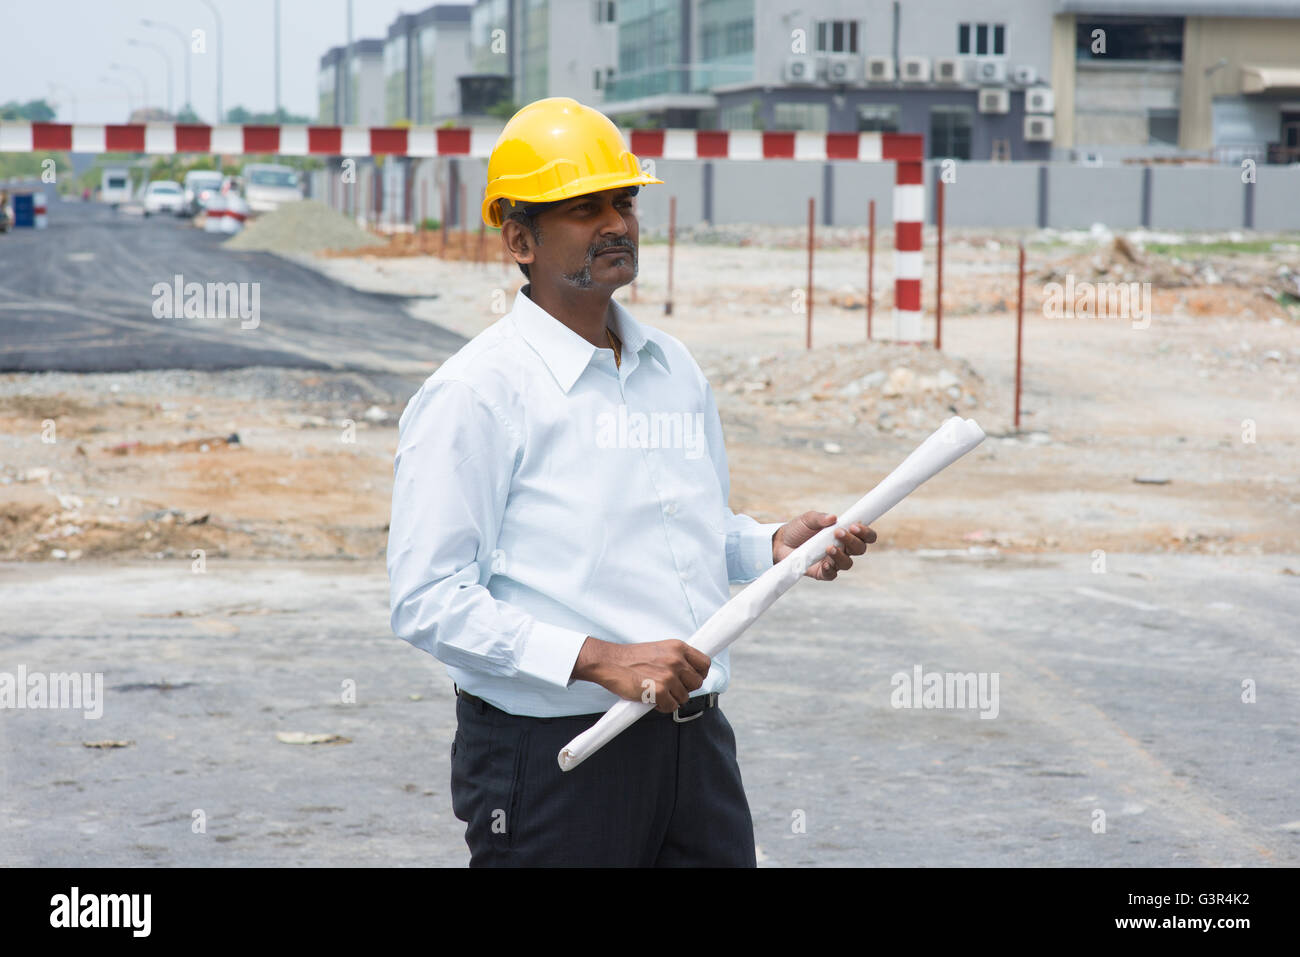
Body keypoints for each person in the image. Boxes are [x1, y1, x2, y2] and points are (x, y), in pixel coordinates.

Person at [387, 97, 876, 867]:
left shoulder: (670, 367)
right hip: (558, 757)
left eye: (624, 200)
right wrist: (599, 657)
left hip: (694, 747)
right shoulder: (475, 394)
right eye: (584, 208)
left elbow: (689, 533)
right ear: (519, 238)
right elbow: (427, 599)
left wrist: (770, 544)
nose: (616, 223)